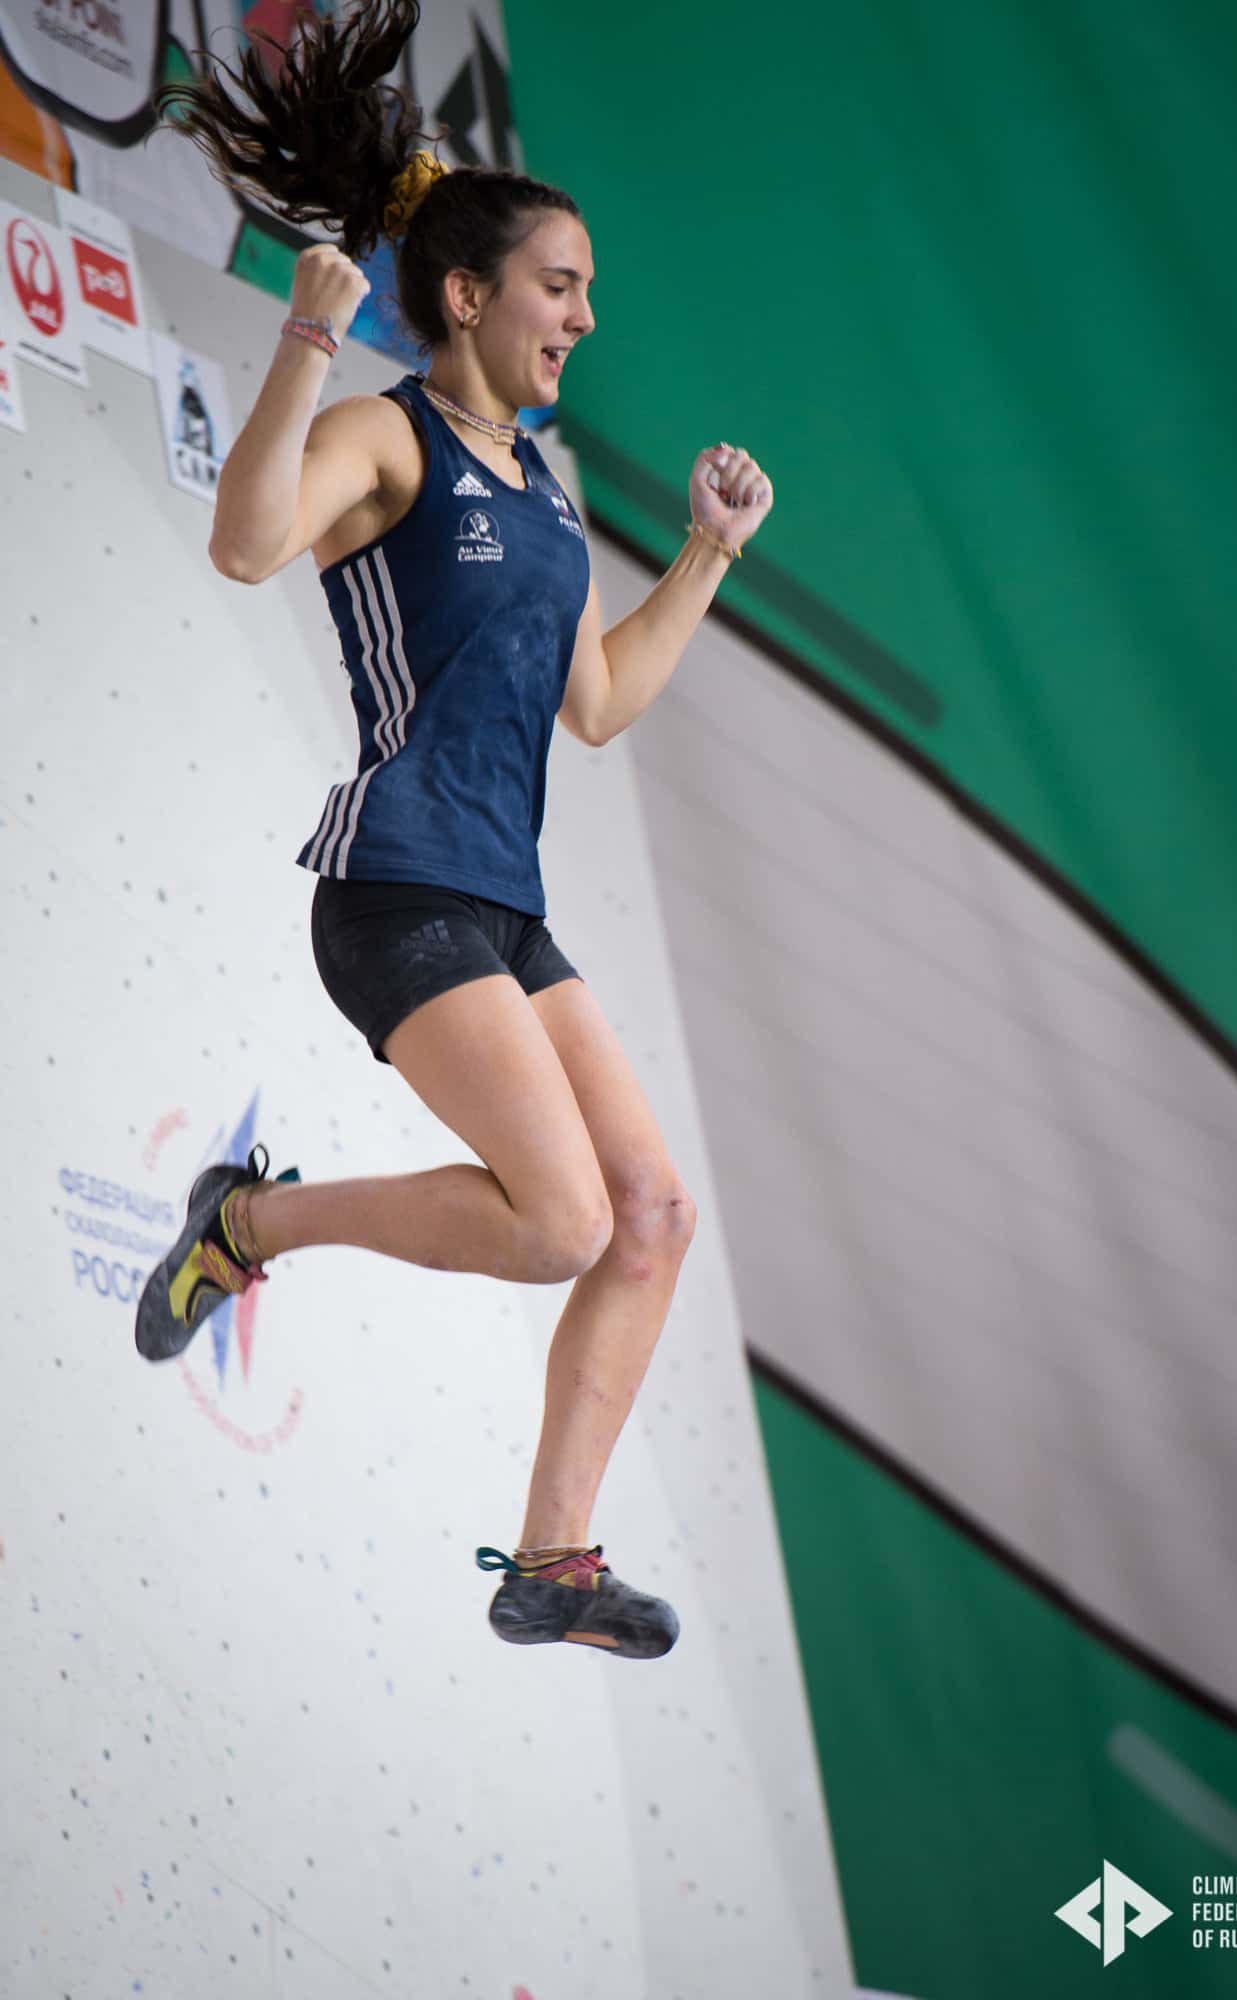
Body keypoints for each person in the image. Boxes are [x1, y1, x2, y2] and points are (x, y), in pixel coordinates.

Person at [135, 0, 772, 1661]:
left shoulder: (544, 483)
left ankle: (552, 1561)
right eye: (560, 285)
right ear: (469, 294)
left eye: (585, 291)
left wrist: (703, 556)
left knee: (648, 1220)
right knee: (558, 1220)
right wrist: (298, 340)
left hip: (504, 904)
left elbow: (601, 704)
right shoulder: (389, 434)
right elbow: (246, 543)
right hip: (396, 883)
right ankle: (247, 1224)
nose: (583, 315)